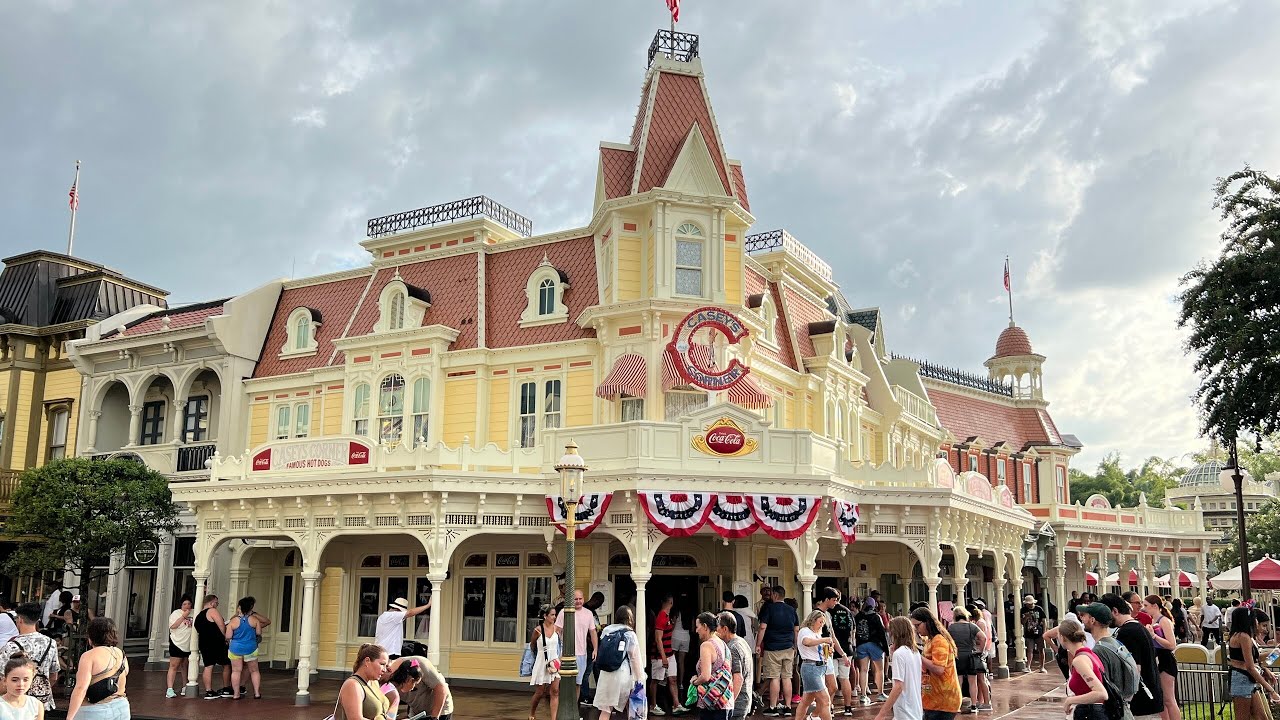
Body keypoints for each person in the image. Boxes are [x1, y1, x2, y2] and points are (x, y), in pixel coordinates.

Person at [1100, 593, 1164, 720]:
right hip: (1149, 696)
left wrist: (1126, 699)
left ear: (1115, 611)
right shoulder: (1139, 628)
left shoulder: (1127, 632)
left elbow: (1134, 669)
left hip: (1139, 702)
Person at [1076, 604, 1135, 720]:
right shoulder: (1115, 643)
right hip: (1122, 707)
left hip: (1111, 711)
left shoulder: (1099, 650)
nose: (1082, 619)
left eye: (1084, 615)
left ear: (1092, 620)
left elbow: (1101, 689)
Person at [64, 617, 128, 720]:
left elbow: (81, 688)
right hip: (121, 707)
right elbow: (125, 674)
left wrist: (70, 717)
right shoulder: (120, 653)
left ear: (91, 636)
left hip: (96, 710)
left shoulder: (89, 656)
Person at [0, 605, 57, 713]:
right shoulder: (51, 643)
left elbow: (2, 678)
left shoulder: (11, 646)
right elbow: (54, 676)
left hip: (17, 703)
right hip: (43, 702)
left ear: (20, 620)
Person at [1227, 605, 1280, 720]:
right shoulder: (1243, 636)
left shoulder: (1244, 636)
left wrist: (1276, 652)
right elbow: (1250, 666)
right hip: (1242, 679)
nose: (1256, 621)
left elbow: (1254, 659)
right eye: (1254, 618)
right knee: (1243, 717)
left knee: (1261, 717)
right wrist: (1271, 690)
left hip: (1246, 679)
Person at [910, 607, 961, 720]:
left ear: (927, 622)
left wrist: (918, 656)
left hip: (943, 700)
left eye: (918, 625)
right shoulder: (930, 640)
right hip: (933, 699)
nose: (916, 629)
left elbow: (939, 669)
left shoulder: (939, 640)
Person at [595, 606, 645, 720]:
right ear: (629, 618)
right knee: (632, 706)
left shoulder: (607, 631)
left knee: (606, 710)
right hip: (623, 674)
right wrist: (639, 679)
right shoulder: (630, 634)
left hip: (606, 674)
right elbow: (635, 658)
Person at [554, 590, 600, 712]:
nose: (578, 601)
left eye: (580, 599)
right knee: (563, 683)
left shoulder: (588, 614)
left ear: (583, 599)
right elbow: (556, 630)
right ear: (571, 600)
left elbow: (593, 632)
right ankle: (562, 710)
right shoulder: (564, 612)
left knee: (578, 683)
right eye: (575, 599)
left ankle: (573, 710)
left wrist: (595, 649)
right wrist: (555, 651)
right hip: (564, 654)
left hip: (581, 654)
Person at [757, 585, 798, 718]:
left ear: (775, 595)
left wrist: (758, 644)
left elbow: (762, 627)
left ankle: (773, 707)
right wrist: (795, 645)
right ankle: (788, 707)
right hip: (788, 648)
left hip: (772, 648)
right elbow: (796, 629)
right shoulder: (791, 610)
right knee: (787, 677)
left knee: (774, 678)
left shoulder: (769, 608)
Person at [1055, 619, 1109, 720]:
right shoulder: (1088, 654)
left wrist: (1070, 700)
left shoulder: (1080, 660)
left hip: (1090, 713)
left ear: (1062, 638)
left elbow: (1101, 693)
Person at [873, 617, 921, 720]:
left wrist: (882, 714)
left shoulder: (899, 654)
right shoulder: (915, 652)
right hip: (915, 710)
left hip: (904, 711)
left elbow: (898, 686)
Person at [812, 588, 850, 717]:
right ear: (827, 599)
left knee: (832, 686)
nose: (835, 603)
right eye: (834, 600)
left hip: (828, 653)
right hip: (820, 654)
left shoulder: (828, 615)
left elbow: (832, 636)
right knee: (824, 687)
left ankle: (820, 711)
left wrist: (843, 654)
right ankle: (819, 712)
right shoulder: (816, 615)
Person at [1141, 595, 1179, 720]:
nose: (1144, 608)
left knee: (1169, 698)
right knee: (1161, 699)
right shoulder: (1152, 620)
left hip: (1165, 659)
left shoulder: (1164, 621)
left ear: (1155, 606)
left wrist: (1154, 636)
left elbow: (1171, 644)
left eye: (1146, 605)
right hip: (1156, 658)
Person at [690, 612, 735, 720]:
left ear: (705, 626)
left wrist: (694, 682)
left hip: (711, 704)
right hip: (726, 701)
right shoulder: (723, 644)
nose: (696, 631)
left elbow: (705, 676)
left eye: (697, 627)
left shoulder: (706, 645)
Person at [224, 596, 270, 700]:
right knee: (254, 671)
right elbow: (258, 633)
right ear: (250, 608)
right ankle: (257, 693)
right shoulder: (255, 620)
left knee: (236, 671)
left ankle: (236, 694)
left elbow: (228, 636)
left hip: (235, 648)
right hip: (251, 648)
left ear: (240, 607)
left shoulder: (233, 621)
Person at [385, 654, 452, 720]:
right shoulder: (383, 678)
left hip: (439, 711)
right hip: (417, 711)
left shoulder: (420, 664)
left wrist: (434, 717)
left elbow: (441, 687)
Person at [333, 643, 390, 720]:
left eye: (386, 666)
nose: (384, 670)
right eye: (382, 664)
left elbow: (381, 714)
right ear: (367, 661)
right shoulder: (352, 685)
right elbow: (355, 719)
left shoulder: (374, 682)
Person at [795, 610, 834, 720]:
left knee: (806, 700)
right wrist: (824, 640)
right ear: (813, 620)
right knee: (825, 700)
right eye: (820, 622)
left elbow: (817, 650)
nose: (821, 625)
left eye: (823, 623)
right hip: (811, 667)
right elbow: (806, 642)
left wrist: (828, 651)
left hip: (819, 668)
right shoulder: (805, 631)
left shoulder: (817, 634)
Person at [948, 607, 988, 713]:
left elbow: (947, 640)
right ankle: (974, 705)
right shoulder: (972, 626)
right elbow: (983, 638)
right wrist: (980, 651)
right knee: (972, 681)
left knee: (959, 681)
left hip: (957, 656)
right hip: (971, 656)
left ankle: (958, 705)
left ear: (955, 616)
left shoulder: (951, 627)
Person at [649, 594, 683, 717]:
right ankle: (653, 705)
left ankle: (676, 705)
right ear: (670, 603)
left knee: (673, 679)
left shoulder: (667, 616)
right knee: (656, 680)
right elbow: (658, 639)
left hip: (669, 653)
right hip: (660, 655)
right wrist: (663, 657)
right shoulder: (661, 616)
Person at [193, 594, 233, 699]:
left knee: (208, 666)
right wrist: (226, 637)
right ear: (212, 602)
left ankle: (209, 691)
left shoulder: (199, 616)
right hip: (216, 642)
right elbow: (221, 625)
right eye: (216, 602)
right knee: (226, 664)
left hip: (203, 642)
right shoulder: (212, 611)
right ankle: (226, 688)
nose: (217, 604)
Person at [716, 611, 753, 720]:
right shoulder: (742, 642)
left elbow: (738, 678)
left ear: (725, 629)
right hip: (744, 700)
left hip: (737, 704)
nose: (715, 631)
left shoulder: (732, 648)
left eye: (717, 627)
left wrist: (729, 703)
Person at [529, 603, 562, 720]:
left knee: (555, 691)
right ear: (545, 616)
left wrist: (559, 659)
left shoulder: (557, 629)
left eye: (555, 615)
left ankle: (553, 718)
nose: (554, 617)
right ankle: (532, 713)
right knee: (540, 692)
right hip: (542, 661)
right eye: (552, 615)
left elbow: (560, 645)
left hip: (554, 662)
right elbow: (532, 646)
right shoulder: (538, 630)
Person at [855, 597, 889, 706]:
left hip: (861, 644)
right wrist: (886, 649)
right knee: (879, 670)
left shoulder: (858, 616)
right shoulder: (876, 617)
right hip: (875, 644)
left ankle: (863, 695)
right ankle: (880, 693)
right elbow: (882, 633)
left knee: (863, 670)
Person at [827, 590, 856, 716]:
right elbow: (853, 630)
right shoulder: (848, 611)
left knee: (831, 680)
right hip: (847, 648)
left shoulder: (829, 611)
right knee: (845, 678)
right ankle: (848, 707)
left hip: (833, 649)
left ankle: (830, 707)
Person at [375, 596, 431, 661]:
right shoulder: (394, 615)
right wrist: (427, 605)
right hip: (390, 651)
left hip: (381, 650)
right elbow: (410, 612)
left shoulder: (383, 616)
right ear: (398, 610)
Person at [165, 596, 194, 698]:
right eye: (185, 604)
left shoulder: (194, 612)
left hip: (188, 644)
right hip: (177, 643)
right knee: (174, 665)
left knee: (185, 665)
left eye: (189, 604)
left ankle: (185, 686)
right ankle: (169, 689)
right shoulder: (176, 613)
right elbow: (173, 626)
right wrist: (183, 617)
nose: (187, 606)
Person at [1, 652, 44, 720]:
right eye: (14, 680)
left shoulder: (36, 705)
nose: (21, 684)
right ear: (5, 681)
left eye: (25, 680)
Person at [1020, 595, 1048, 673]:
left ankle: (1042, 667)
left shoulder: (1039, 609)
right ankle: (1028, 666)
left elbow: (1044, 620)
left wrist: (1044, 632)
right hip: (1029, 633)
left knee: (1041, 649)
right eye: (1028, 604)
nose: (1030, 605)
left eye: (1031, 603)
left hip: (1039, 632)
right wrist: (1026, 617)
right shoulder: (1023, 610)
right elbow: (1022, 622)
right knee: (1030, 650)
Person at [672, 606, 691, 699]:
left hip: (676, 636)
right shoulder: (689, 613)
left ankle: (670, 679)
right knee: (681, 662)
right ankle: (681, 683)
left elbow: (673, 625)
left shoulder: (677, 612)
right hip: (686, 637)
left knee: (671, 658)